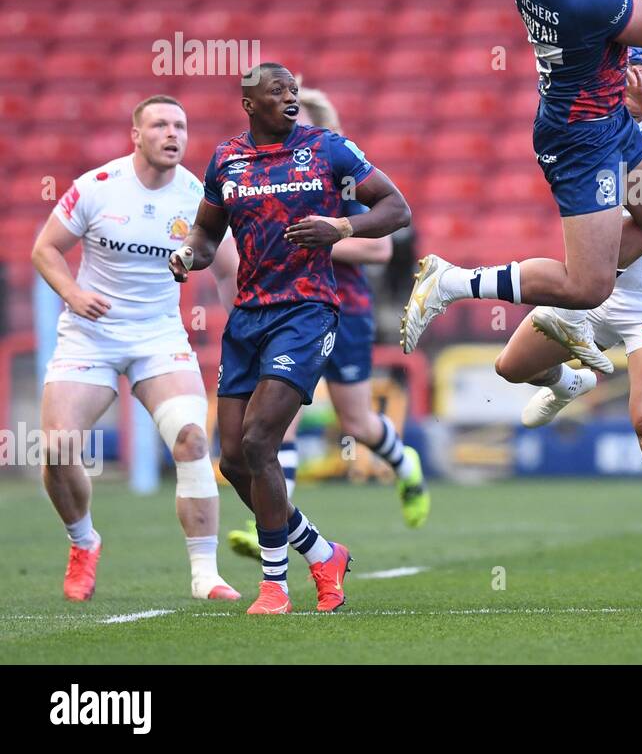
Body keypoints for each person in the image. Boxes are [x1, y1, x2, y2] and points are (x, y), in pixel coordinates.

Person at [400, 0, 642, 367]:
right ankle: (450, 282)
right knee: (588, 287)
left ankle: (566, 319)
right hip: (581, 140)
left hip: (607, 117)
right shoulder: (582, 1)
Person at [171, 64, 411, 614]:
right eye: (276, 92)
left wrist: (343, 227)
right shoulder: (227, 159)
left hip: (307, 311)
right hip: (248, 316)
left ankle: (274, 587)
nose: (290, 99)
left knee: (259, 441)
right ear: (249, 103)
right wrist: (189, 254)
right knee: (232, 458)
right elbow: (208, 232)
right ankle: (322, 552)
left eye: (294, 91)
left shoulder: (329, 150)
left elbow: (396, 208)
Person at [495, 48, 642, 610]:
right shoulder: (595, 133)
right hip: (593, 289)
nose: (620, 83)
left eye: (632, 74)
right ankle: (567, 382)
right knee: (511, 367)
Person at [31, 95, 241, 602]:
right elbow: (45, 249)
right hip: (91, 336)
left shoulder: (199, 197)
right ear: (137, 135)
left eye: (181, 126)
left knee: (192, 439)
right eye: (161, 125)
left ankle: (204, 575)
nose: (173, 134)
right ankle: (84, 542)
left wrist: (243, 336)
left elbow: (229, 270)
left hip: (158, 337)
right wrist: (74, 294)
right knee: (57, 449)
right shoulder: (97, 188)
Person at [227, 85, 430, 561]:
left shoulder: (342, 177)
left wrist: (313, 239)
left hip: (345, 308)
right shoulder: (269, 178)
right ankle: (271, 525)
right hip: (290, 311)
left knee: (356, 421)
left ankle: (406, 464)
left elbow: (380, 246)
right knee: (279, 426)